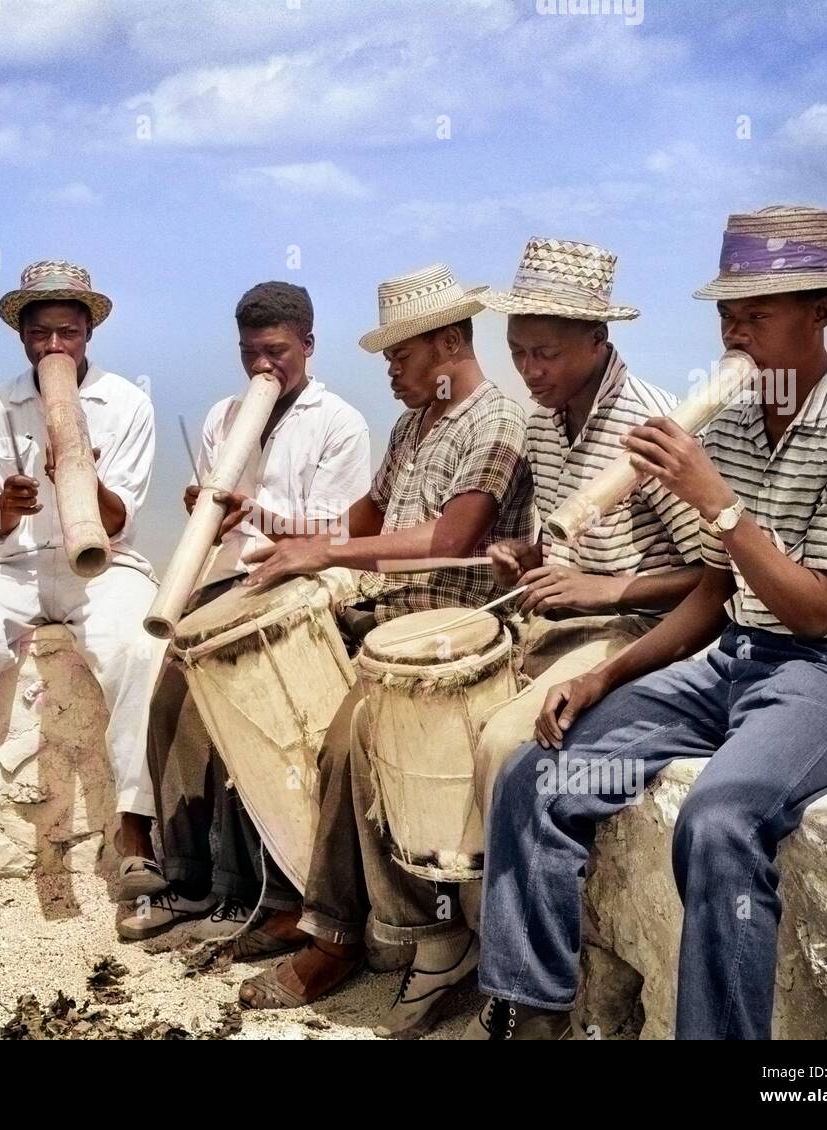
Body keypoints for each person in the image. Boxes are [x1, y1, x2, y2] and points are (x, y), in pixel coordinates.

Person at [470, 205, 827, 1040]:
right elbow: (720, 593)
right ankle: (533, 1012)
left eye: (757, 314)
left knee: (719, 822)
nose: (735, 333)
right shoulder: (737, 417)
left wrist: (716, 503)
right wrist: (605, 674)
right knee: (535, 776)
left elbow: (817, 609)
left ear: (821, 310)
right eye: (727, 314)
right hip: (737, 660)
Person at [344, 237, 705, 1037]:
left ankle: (523, 999)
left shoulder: (650, 427)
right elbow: (562, 542)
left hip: (633, 629)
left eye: (546, 354)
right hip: (557, 619)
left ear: (597, 345)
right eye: (519, 353)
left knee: (509, 745)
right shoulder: (547, 423)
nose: (531, 370)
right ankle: (439, 938)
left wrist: (606, 587)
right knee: (393, 719)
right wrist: (530, 554)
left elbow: (714, 578)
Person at [234, 263, 536, 1009]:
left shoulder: (498, 421)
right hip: (384, 615)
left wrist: (327, 555)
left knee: (346, 740)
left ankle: (337, 937)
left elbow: (451, 537)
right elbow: (363, 522)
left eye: (400, 356)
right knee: (252, 684)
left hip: (449, 630)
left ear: (448, 344)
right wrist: (280, 533)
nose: (391, 371)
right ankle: (277, 893)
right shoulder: (411, 425)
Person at [125, 280, 372, 944]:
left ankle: (245, 893)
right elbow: (220, 529)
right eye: (250, 354)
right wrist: (204, 516)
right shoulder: (222, 419)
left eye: (276, 352)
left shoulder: (339, 423)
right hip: (230, 578)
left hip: (295, 585)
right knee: (167, 705)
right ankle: (186, 875)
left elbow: (334, 532)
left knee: (243, 719)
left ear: (308, 345)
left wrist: (254, 513)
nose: (263, 367)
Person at [0, 260, 161, 900]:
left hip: (100, 567)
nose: (55, 346)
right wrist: (10, 504)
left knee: (140, 646)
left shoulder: (128, 403)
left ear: (88, 336)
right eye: (42, 334)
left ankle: (134, 830)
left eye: (68, 334)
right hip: (17, 566)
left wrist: (75, 471)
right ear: (23, 337)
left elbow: (117, 518)